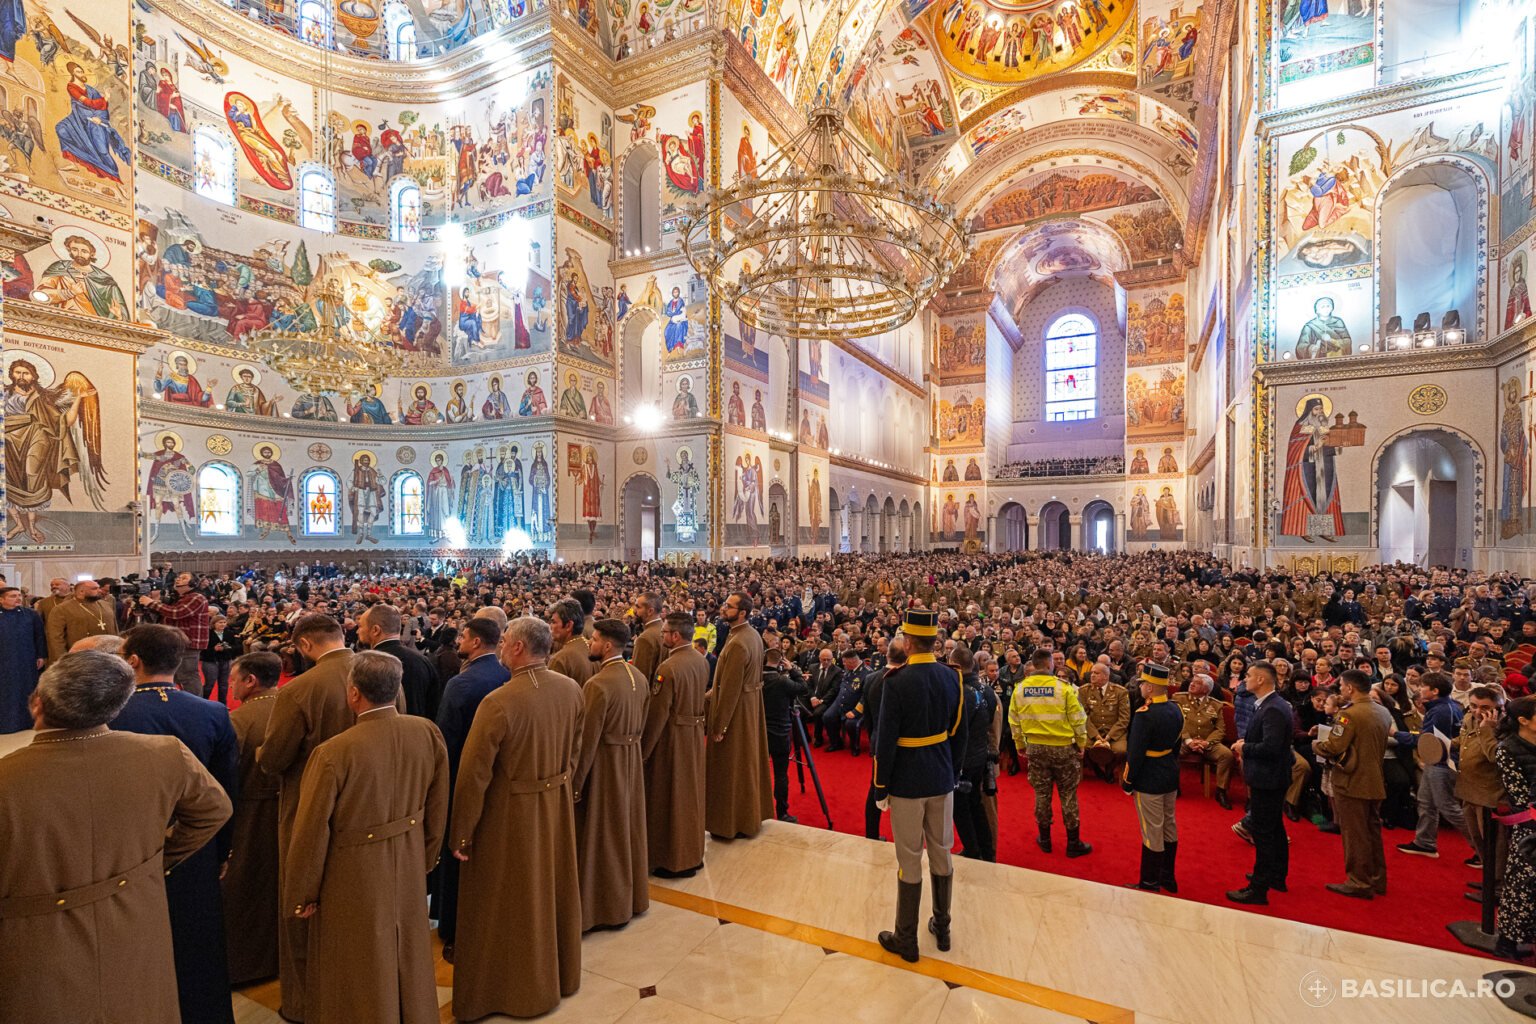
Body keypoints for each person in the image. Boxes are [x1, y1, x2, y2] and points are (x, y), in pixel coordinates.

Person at [0, 652, 231, 1024]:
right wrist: (159, 858)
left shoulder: (7, 778)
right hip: (137, 916)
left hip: (35, 942)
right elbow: (214, 810)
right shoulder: (164, 753)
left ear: (37, 703)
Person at [285, 652, 449, 1024]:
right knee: (407, 945)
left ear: (354, 694)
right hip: (408, 857)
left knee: (356, 957)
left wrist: (302, 894)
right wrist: (425, 857)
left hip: (351, 868)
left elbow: (311, 832)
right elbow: (438, 805)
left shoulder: (332, 752)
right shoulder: (426, 731)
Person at [450, 616, 584, 1020]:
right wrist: (561, 788)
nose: (502, 645)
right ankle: (559, 974)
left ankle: (510, 987)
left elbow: (474, 775)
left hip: (508, 813)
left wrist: (461, 832)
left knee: (505, 900)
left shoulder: (500, 702)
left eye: (506, 640)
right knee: (551, 887)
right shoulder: (572, 689)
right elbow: (575, 751)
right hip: (556, 803)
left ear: (519, 649)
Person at [112, 625, 239, 1024]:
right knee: (197, 939)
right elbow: (226, 790)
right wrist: (222, 851)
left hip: (133, 846)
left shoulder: (116, 712)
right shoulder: (214, 711)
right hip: (198, 843)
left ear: (132, 661)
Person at [256, 613, 360, 1022]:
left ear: (303, 646)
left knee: (304, 898)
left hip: (309, 803)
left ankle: (304, 1001)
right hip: (366, 804)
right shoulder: (380, 673)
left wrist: (263, 754)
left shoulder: (301, 688)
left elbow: (275, 757)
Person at [873, 608, 967, 963]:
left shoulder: (895, 681)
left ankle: (906, 938)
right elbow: (960, 732)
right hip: (942, 776)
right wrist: (952, 773)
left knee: (909, 857)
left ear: (909, 642)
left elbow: (885, 742)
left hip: (907, 781)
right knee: (942, 850)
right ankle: (942, 928)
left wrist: (882, 786)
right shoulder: (951, 678)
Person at [430, 617, 508, 958]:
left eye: (463, 636)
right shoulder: (506, 674)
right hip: (497, 777)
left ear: (475, 642)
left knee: (459, 849)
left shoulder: (462, 685)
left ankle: (453, 924)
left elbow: (445, 739)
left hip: (462, 773)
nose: (459, 639)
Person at [572, 618, 649, 931]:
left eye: (594, 639)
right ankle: (633, 898)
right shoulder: (639, 676)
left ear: (606, 644)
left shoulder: (598, 684)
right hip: (630, 759)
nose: (590, 643)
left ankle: (604, 907)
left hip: (605, 764)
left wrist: (577, 783)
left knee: (603, 834)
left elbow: (587, 740)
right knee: (626, 828)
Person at [223, 652, 283, 986]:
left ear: (251, 681)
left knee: (247, 889)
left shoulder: (239, 719)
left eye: (233, 678)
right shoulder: (294, 705)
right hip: (289, 808)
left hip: (251, 813)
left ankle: (248, 966)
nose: (229, 685)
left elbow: (227, 774)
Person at [1312, 668, 1392, 899]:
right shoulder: (1382, 710)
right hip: (1375, 779)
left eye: (1341, 687)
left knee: (1354, 834)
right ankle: (1377, 878)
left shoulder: (1349, 715)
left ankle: (1358, 881)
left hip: (1352, 780)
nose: (1340, 690)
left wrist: (1317, 744)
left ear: (1350, 688)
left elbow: (1333, 747)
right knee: (1372, 831)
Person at [642, 611, 709, 876]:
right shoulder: (700, 660)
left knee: (668, 798)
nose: (662, 636)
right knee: (691, 796)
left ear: (676, 635)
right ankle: (693, 852)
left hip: (672, 739)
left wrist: (644, 750)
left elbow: (658, 714)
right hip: (694, 733)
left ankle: (671, 859)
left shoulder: (667, 668)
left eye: (665, 632)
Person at [1008, 648, 1092, 856]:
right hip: (1063, 748)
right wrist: (1081, 743)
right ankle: (1073, 843)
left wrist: (1020, 744)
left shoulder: (1020, 689)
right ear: (1049, 665)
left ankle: (1045, 840)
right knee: (1068, 794)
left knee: (1042, 793)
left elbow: (1014, 721)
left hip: (1035, 748)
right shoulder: (1064, 688)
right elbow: (1078, 719)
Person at [705, 591, 773, 839]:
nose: (723, 609)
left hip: (736, 712)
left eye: (729, 606)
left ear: (742, 612)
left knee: (731, 768)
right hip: (750, 706)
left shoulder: (737, 643)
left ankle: (730, 823)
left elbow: (730, 688)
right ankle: (749, 817)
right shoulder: (752, 635)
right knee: (747, 764)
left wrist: (719, 726)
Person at [1227, 662, 1292, 905]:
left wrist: (1245, 747)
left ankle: (1258, 888)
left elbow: (1271, 748)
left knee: (1263, 832)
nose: (1245, 679)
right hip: (1272, 776)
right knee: (1274, 828)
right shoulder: (1271, 704)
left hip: (1268, 777)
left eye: (1249, 675)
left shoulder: (1273, 708)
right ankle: (1276, 876)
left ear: (1262, 680)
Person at [1397, 671, 1471, 858]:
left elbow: (1427, 741)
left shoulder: (1440, 711)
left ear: (1435, 691)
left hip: (1442, 763)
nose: (1419, 690)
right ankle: (1425, 842)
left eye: (1423, 687)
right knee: (1426, 803)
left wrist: (1395, 734)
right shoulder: (1449, 706)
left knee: (1447, 807)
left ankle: (1484, 847)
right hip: (1437, 762)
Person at [1122, 664, 1182, 891]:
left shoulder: (1145, 715)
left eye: (1143, 684)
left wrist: (1128, 782)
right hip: (1169, 772)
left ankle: (1150, 882)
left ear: (1150, 687)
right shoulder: (1175, 709)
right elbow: (1176, 745)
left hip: (1149, 777)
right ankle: (1168, 877)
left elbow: (1135, 753)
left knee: (1152, 830)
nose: (1141, 688)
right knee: (1169, 825)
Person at [1495, 695, 1536, 960]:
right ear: (1523, 720)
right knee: (1522, 885)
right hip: (1528, 826)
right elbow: (1518, 795)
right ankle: (1508, 940)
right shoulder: (1507, 748)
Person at [950, 644, 999, 862]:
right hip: (980, 755)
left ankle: (972, 849)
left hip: (962, 759)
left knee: (960, 808)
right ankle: (986, 851)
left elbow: (953, 728)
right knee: (976, 805)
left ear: (956, 666)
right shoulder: (987, 690)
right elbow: (989, 722)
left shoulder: (959, 693)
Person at [358, 603, 441, 719]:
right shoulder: (423, 661)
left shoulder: (368, 664)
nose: (358, 631)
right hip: (419, 731)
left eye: (360, 626)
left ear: (375, 630)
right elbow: (434, 706)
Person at [1458, 685, 1507, 876]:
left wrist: (1487, 730)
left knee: (1495, 845)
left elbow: (1496, 756)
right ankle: (1488, 881)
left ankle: (1497, 886)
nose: (1477, 711)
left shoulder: (1506, 727)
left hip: (1490, 795)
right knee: (1478, 840)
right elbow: (1466, 741)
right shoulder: (1469, 718)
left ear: (1499, 707)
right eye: (1473, 706)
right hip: (1467, 789)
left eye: (1484, 708)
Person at [761, 628, 808, 825]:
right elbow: (803, 689)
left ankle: (758, 809)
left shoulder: (758, 679)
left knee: (759, 772)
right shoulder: (782, 681)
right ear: (781, 662)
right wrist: (793, 670)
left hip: (761, 732)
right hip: (780, 732)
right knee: (781, 774)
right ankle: (782, 812)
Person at [139, 572, 211, 696]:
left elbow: (177, 613)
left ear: (193, 583)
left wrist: (151, 603)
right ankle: (186, 700)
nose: (178, 579)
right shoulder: (179, 598)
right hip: (177, 642)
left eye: (184, 578)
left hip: (189, 643)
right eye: (178, 577)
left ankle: (195, 704)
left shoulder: (196, 597)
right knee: (177, 676)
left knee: (188, 676)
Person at [1175, 673, 1235, 808]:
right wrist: (1189, 740)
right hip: (1184, 740)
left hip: (1207, 742)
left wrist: (1207, 742)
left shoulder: (1216, 705)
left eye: (1197, 683)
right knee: (1171, 751)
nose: (1192, 684)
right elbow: (1176, 722)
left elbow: (1220, 729)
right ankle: (1173, 786)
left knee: (1227, 755)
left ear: (1206, 689)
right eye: (1192, 681)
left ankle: (1221, 791)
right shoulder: (1179, 699)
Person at [0, 586, 45, 732]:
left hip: (25, 658)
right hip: (4, 659)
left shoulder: (30, 615)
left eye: (19, 595)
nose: (18, 598)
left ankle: (27, 721)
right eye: (13, 596)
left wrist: (41, 655)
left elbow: (39, 636)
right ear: (1, 599)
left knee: (26, 689)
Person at [45, 577, 119, 662]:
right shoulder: (62, 609)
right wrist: (63, 660)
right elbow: (56, 638)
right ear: (81, 591)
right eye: (94, 588)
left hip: (109, 656)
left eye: (98, 588)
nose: (100, 591)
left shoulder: (106, 605)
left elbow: (115, 628)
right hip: (80, 658)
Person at [1079, 662, 1130, 782]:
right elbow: (1083, 716)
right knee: (1082, 746)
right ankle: (1096, 769)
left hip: (1114, 732)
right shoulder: (1084, 690)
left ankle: (1110, 769)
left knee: (1121, 751)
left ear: (1106, 676)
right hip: (1092, 731)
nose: (1092, 675)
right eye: (1092, 673)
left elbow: (1124, 719)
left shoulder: (1120, 692)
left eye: (1096, 673)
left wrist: (1108, 737)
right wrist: (1096, 736)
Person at [548, 597, 594, 686]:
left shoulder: (560, 659)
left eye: (554, 622)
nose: (551, 626)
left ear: (569, 625)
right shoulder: (592, 648)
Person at [202, 614, 238, 705]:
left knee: (224, 685)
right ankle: (203, 703)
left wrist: (228, 647)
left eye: (224, 622)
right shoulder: (207, 634)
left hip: (225, 660)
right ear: (214, 624)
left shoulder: (229, 633)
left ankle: (222, 704)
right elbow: (202, 650)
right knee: (209, 684)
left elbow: (236, 647)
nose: (222, 624)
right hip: (210, 661)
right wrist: (214, 649)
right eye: (220, 622)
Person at [631, 592, 665, 682]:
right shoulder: (663, 628)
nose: (634, 610)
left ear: (650, 611)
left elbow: (640, 677)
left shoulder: (645, 638)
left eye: (638, 607)